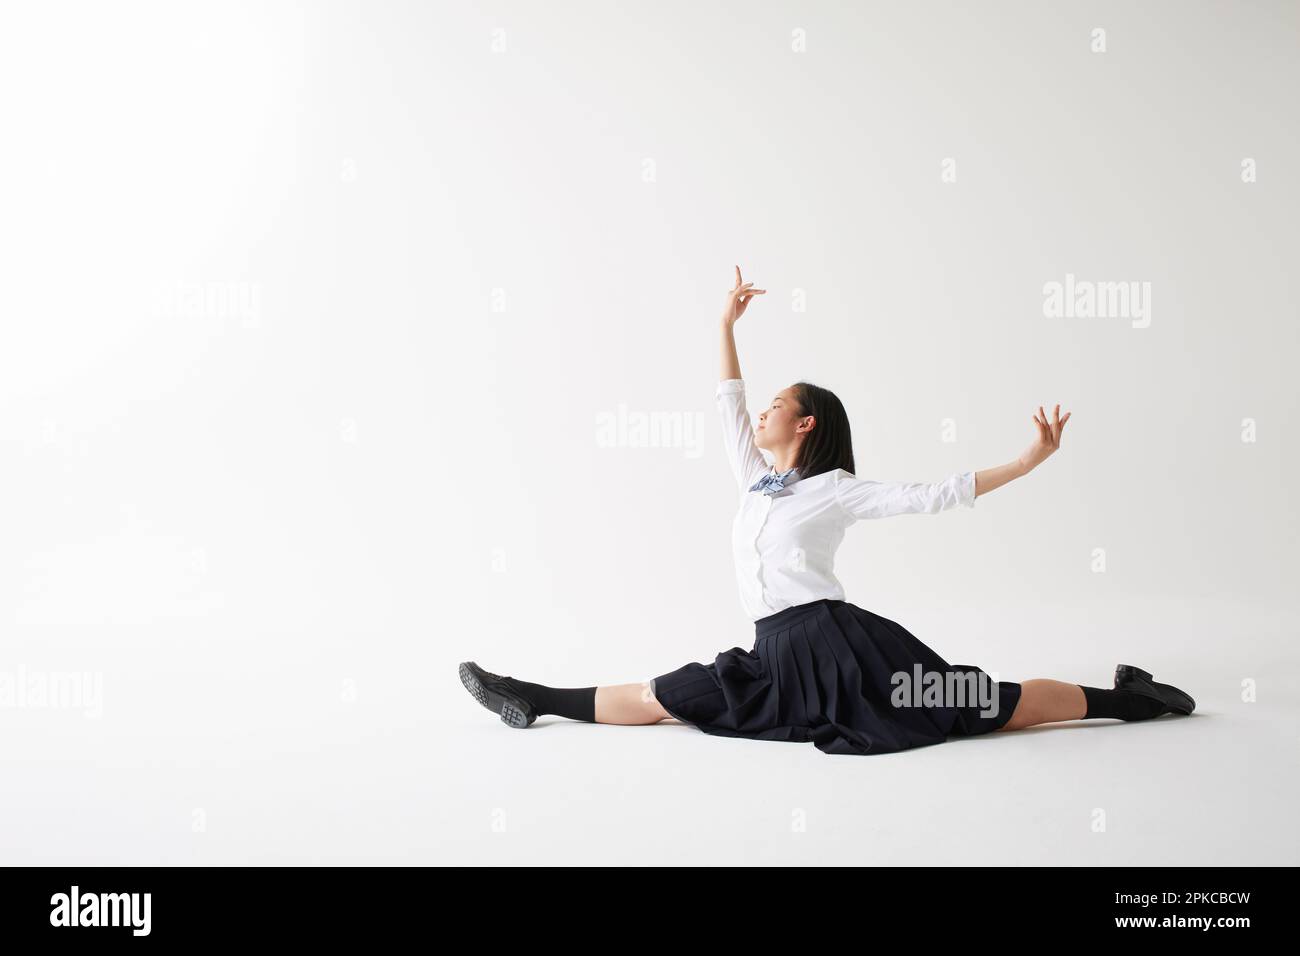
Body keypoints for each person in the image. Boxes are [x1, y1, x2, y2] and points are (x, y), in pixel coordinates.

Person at [459, 267, 1195, 755]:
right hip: (771, 651)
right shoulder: (754, 479)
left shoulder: (837, 487)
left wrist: (1030, 458)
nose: (763, 414)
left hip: (839, 644)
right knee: (667, 697)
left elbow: (934, 494)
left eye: (779, 407)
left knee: (985, 704)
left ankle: (1130, 702)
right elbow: (727, 408)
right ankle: (531, 698)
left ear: (806, 425)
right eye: (768, 405)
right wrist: (726, 327)